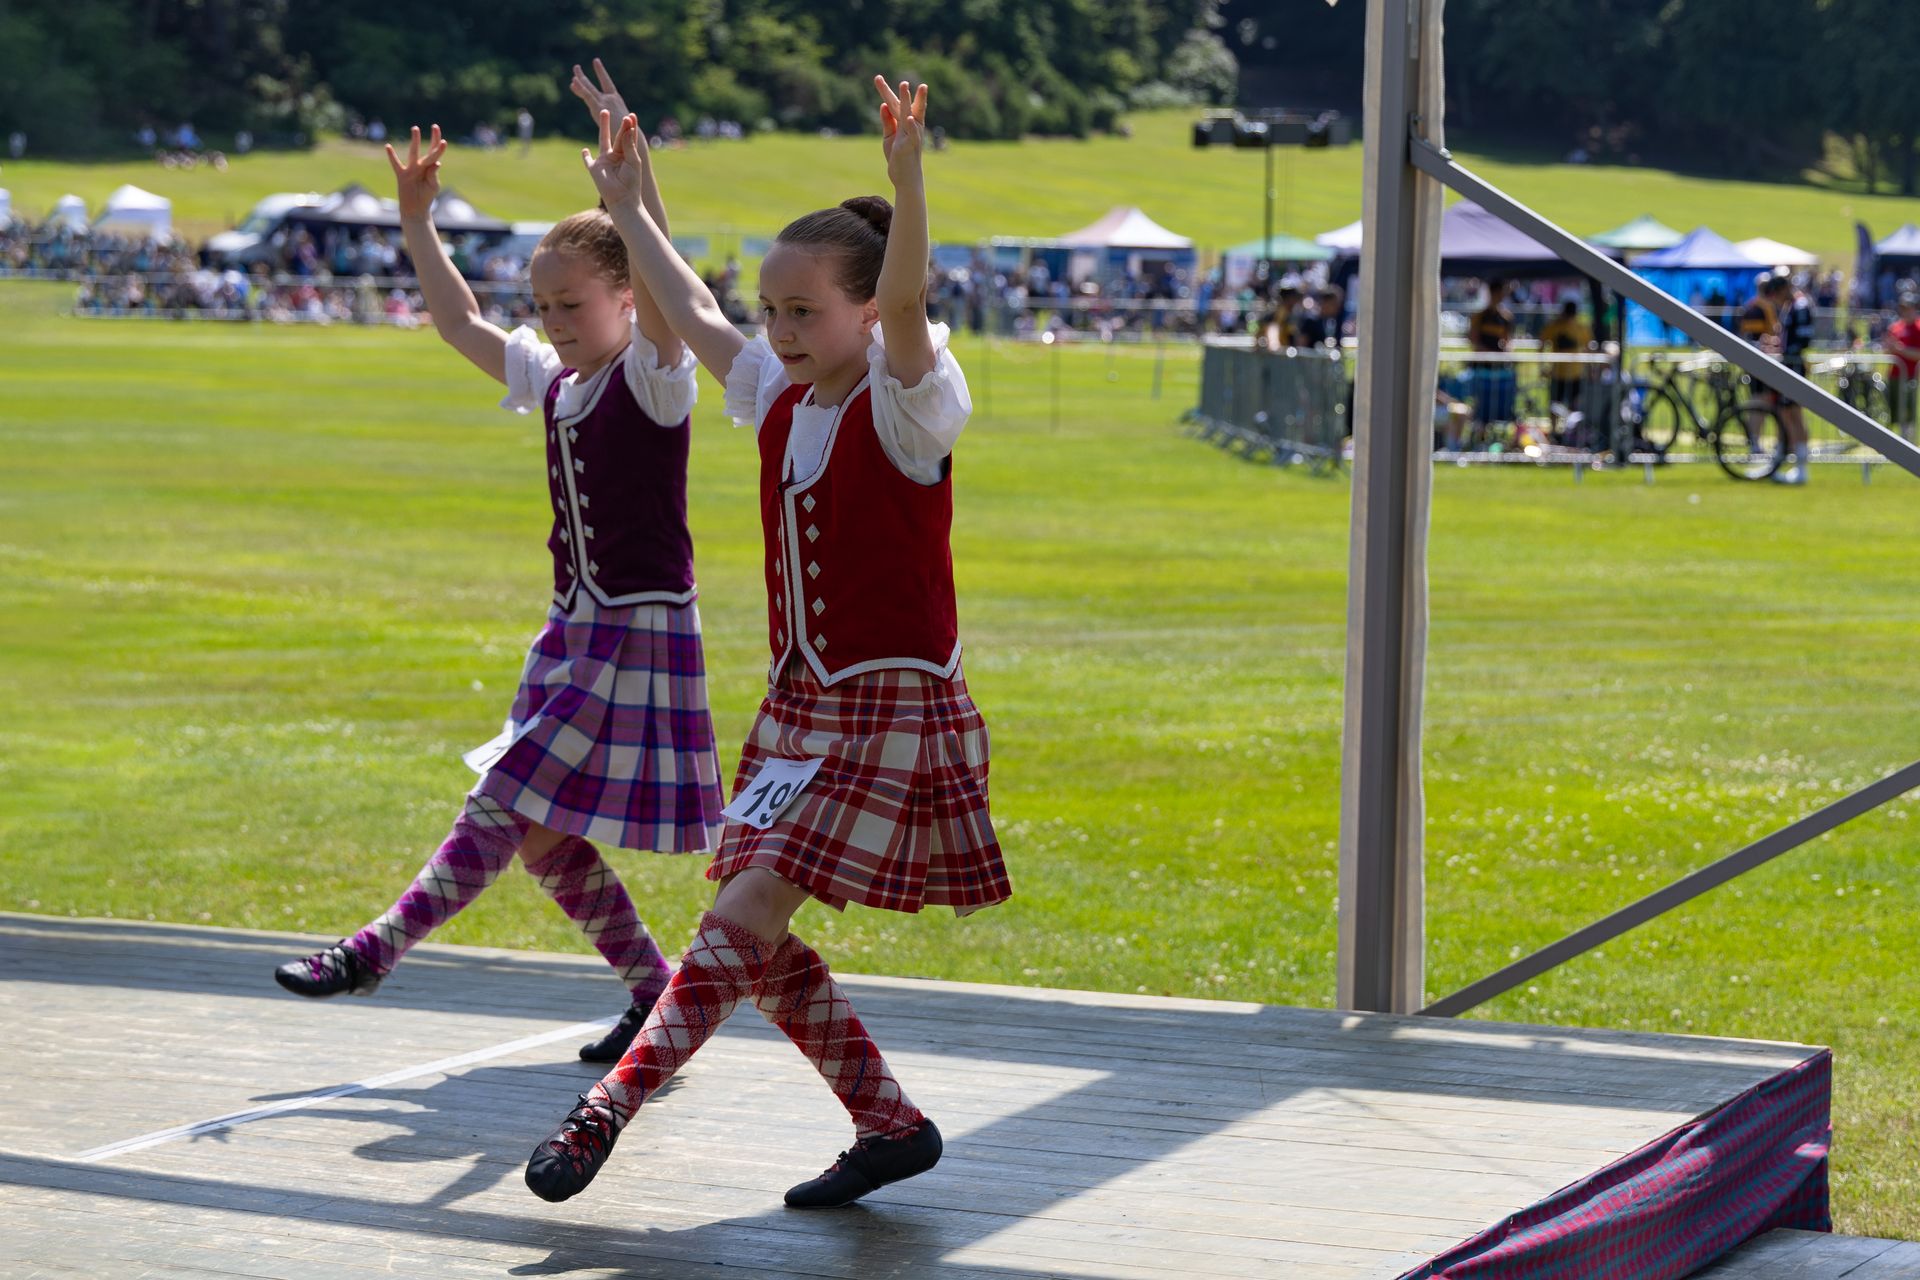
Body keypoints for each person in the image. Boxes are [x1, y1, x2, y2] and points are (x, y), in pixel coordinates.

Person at [524, 69, 1010, 1209]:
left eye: (807, 312)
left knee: (739, 916)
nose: (783, 332)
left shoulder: (909, 400)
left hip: (889, 702)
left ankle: (605, 1112)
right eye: (776, 311)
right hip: (801, 705)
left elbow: (903, 317)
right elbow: (692, 313)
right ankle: (888, 1120)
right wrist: (635, 206)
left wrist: (908, 182)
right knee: (752, 917)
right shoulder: (780, 398)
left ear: (869, 310)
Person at [271, 111, 726, 1066]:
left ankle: (377, 949)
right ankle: (652, 992)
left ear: (626, 301)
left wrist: (633, 202)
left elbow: (670, 301)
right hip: (571, 629)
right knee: (541, 838)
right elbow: (457, 321)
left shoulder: (653, 377)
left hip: (638, 628)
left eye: (573, 305)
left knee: (507, 795)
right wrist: (416, 218)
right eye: (547, 307)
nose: (556, 324)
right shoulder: (557, 380)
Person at [1765, 270, 1815, 484]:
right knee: (1786, 413)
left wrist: (1785, 352)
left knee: (1794, 413)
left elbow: (1803, 339)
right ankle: (1787, 460)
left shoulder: (1800, 306)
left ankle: (1801, 467)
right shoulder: (1790, 306)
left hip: (1794, 366)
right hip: (1789, 363)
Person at [1468, 278, 1517, 435]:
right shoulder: (1480, 316)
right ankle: (1479, 434)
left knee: (1499, 403)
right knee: (1482, 405)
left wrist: (1505, 352)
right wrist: (1487, 353)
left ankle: (1498, 436)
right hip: (1482, 368)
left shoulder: (1506, 317)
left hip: (1499, 368)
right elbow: (1473, 339)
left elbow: (1508, 340)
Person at [1539, 299, 1593, 412]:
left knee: (1575, 406)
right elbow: (1541, 345)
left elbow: (1588, 349)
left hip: (1576, 374)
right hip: (1557, 374)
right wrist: (1542, 367)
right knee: (1554, 405)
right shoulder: (1554, 327)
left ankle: (1571, 428)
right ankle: (1554, 429)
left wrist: (1589, 369)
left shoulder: (1581, 328)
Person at [1882, 292, 1920, 443]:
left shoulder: (1918, 328)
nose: (1905, 311)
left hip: (1910, 375)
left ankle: (1907, 440)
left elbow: (1917, 353)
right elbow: (1888, 349)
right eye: (1903, 308)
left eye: (1908, 308)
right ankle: (1896, 440)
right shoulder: (1896, 327)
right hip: (1894, 374)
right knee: (1894, 407)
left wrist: (1900, 349)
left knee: (1908, 408)